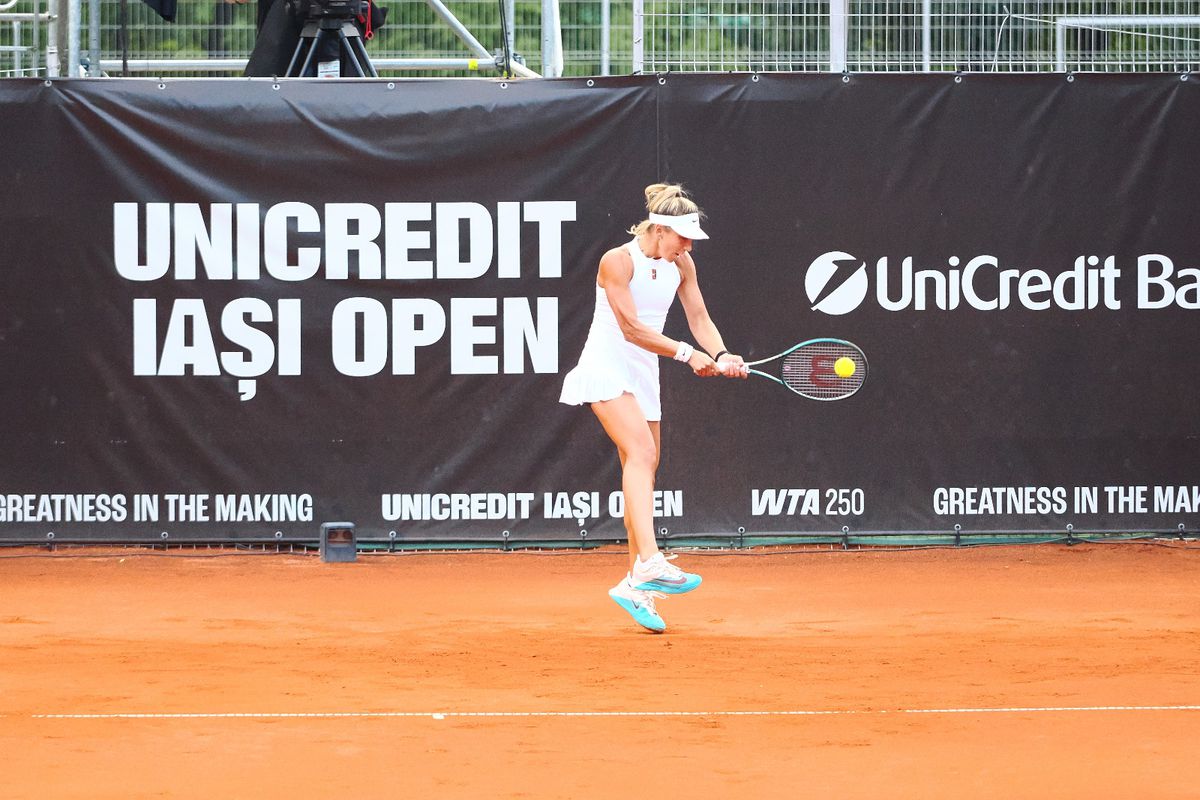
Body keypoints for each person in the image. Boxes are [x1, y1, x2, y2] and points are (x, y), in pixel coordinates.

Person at [559, 183, 746, 633]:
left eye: (691, 240)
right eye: (682, 237)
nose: (687, 246)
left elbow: (699, 318)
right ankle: (649, 562)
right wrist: (686, 354)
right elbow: (629, 328)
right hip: (607, 364)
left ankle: (635, 586)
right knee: (642, 455)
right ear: (658, 229)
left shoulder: (682, 263)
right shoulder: (617, 261)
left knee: (641, 465)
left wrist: (722, 354)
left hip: (645, 372)